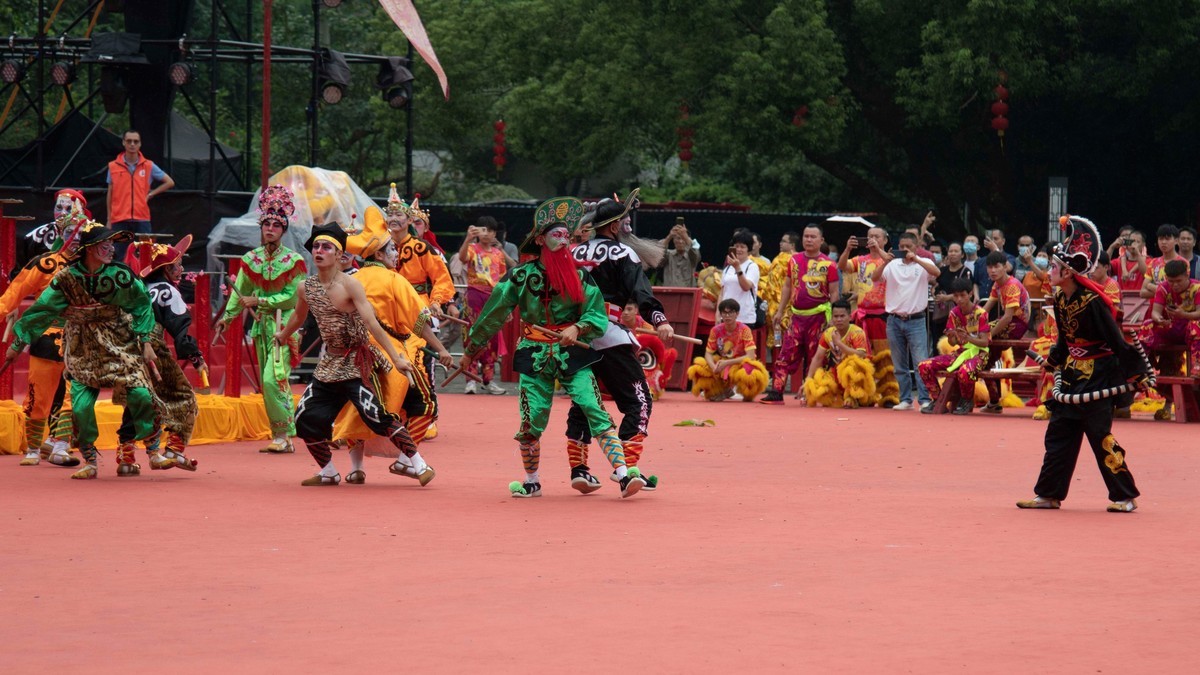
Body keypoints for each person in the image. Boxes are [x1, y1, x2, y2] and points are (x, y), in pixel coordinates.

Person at [461, 197, 648, 499]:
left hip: (572, 353)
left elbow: (596, 313)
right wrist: (470, 350)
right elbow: (492, 314)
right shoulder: (520, 276)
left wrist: (578, 327)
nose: (564, 241)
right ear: (540, 240)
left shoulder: (579, 275)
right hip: (534, 354)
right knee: (533, 417)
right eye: (557, 235)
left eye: (566, 235)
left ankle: (624, 475)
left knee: (592, 405)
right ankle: (531, 480)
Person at [275, 223, 434, 487]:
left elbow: (372, 324)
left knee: (376, 416)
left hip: (358, 362)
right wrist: (283, 334)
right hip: (329, 365)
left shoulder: (351, 285)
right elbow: (299, 316)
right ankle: (328, 471)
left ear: (339, 255)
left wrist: (396, 357)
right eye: (316, 246)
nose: (319, 251)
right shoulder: (306, 287)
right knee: (304, 417)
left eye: (327, 247)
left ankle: (419, 463)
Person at [6, 221, 162, 479]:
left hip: (118, 341)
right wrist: (17, 343)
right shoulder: (66, 278)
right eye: (106, 244)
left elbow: (142, 304)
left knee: (141, 396)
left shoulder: (120, 275)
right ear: (90, 248)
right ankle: (89, 459)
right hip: (81, 344)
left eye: (112, 244)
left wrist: (146, 342)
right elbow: (42, 310)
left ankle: (153, 449)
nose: (111, 249)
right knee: (79, 406)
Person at [1016, 215, 1147, 513]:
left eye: (1053, 267)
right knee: (1059, 432)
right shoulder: (1061, 298)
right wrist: (1053, 360)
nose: (1049, 271)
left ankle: (1124, 495)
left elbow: (1116, 341)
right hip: (1074, 374)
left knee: (1100, 436)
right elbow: (1065, 339)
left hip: (1100, 375)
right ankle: (1048, 494)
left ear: (1068, 272)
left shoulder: (1093, 302)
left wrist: (1137, 372)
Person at [566, 190, 671, 492]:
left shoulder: (573, 253)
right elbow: (640, 291)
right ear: (614, 227)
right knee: (639, 401)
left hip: (574, 337)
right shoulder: (623, 254)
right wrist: (659, 319)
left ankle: (580, 469)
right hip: (609, 335)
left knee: (585, 402)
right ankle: (629, 468)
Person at [330, 233, 455, 483]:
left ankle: (356, 468)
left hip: (352, 354)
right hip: (389, 354)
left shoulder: (349, 279)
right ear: (378, 254)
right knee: (425, 404)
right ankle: (407, 460)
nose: (396, 255)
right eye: (392, 250)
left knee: (359, 406)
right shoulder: (393, 278)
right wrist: (441, 348)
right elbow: (418, 321)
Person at [215, 185, 306, 453]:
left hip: (285, 325)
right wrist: (227, 318)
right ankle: (285, 433)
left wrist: (261, 301)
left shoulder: (294, 261)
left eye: (277, 225)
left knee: (272, 379)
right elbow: (240, 291)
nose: (270, 228)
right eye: (266, 223)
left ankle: (282, 435)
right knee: (274, 381)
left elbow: (293, 298)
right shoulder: (250, 259)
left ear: (284, 229)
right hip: (262, 327)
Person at [0, 196, 89, 467]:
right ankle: (34, 448)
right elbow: (16, 291)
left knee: (75, 396)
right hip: (46, 333)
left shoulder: (93, 268)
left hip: (81, 338)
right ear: (60, 234)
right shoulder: (46, 263)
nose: (75, 239)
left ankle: (61, 445)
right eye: (70, 233)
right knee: (38, 395)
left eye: (80, 234)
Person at [135, 234, 206, 471]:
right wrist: (197, 359)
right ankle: (174, 449)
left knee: (138, 400)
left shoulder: (141, 289)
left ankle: (125, 457)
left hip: (127, 349)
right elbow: (180, 331)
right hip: (152, 348)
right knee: (184, 397)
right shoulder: (167, 291)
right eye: (178, 265)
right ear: (166, 269)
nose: (182, 269)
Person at [762, 224, 839, 403]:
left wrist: (834, 319)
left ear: (821, 240)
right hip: (796, 317)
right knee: (786, 354)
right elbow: (788, 286)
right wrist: (780, 310)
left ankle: (811, 393)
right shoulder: (794, 260)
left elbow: (834, 292)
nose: (809, 240)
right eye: (806, 236)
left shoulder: (829, 264)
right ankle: (777, 392)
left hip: (819, 318)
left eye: (813, 237)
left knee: (815, 357)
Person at [874, 231, 940, 411]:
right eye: (901, 247)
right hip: (894, 319)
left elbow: (937, 273)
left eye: (908, 247)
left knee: (921, 362)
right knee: (899, 363)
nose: (904, 250)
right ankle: (905, 399)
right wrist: (886, 260)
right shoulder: (892, 264)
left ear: (916, 247)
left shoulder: (923, 264)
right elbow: (874, 278)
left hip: (916, 320)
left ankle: (925, 398)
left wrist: (916, 259)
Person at [839, 226, 900, 407]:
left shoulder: (890, 260)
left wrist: (879, 251)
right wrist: (848, 249)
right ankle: (860, 395)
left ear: (885, 240)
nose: (872, 239)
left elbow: (889, 263)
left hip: (882, 315)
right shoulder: (861, 260)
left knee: (884, 357)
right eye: (869, 237)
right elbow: (842, 266)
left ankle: (889, 396)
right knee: (859, 358)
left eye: (876, 237)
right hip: (862, 315)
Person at [917, 278, 990, 415]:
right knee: (924, 365)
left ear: (970, 294)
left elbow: (985, 343)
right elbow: (952, 344)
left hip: (980, 354)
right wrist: (952, 337)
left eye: (962, 295)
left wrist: (968, 338)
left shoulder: (981, 313)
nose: (959, 299)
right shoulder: (953, 313)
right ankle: (938, 400)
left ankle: (967, 400)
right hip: (960, 353)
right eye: (956, 296)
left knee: (964, 371)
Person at [106, 129, 174, 261]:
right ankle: (122, 280)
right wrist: (109, 218)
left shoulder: (148, 165)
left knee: (146, 254)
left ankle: (145, 281)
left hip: (141, 217)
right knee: (119, 255)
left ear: (140, 144)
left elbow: (169, 182)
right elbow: (110, 193)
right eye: (129, 141)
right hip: (119, 217)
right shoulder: (113, 166)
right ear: (123, 143)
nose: (132, 144)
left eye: (135, 141)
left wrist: (151, 194)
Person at [458, 216, 508, 394]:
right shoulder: (472, 249)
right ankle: (470, 380)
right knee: (472, 335)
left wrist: (505, 306)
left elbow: (502, 280)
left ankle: (488, 380)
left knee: (492, 339)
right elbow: (462, 258)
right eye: (483, 229)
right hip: (474, 296)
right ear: (478, 231)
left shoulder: (498, 254)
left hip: (493, 298)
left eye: (491, 230)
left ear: (495, 233)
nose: (487, 233)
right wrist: (468, 238)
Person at [979, 250, 1031, 413]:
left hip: (1018, 324)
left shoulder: (1012, 286)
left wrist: (987, 334)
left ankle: (994, 401)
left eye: (996, 266)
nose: (992, 270)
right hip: (1009, 322)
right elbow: (985, 310)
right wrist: (972, 322)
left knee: (985, 359)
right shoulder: (997, 285)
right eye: (990, 267)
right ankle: (994, 402)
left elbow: (1008, 318)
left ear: (1005, 267)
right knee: (986, 360)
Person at [687, 298, 768, 402]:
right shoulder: (715, 330)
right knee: (698, 367)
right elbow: (708, 353)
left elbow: (750, 355)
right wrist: (713, 367)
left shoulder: (744, 330)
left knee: (751, 371)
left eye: (731, 313)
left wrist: (728, 363)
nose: (727, 316)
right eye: (724, 313)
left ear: (737, 313)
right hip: (722, 362)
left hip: (739, 363)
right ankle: (723, 389)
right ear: (720, 314)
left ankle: (741, 391)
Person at [801, 299, 875, 408]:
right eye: (836, 316)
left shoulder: (857, 332)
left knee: (852, 364)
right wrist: (808, 381)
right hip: (837, 373)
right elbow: (818, 358)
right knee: (820, 386)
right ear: (832, 318)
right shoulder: (828, 333)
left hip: (858, 376)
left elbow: (861, 355)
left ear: (850, 317)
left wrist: (839, 343)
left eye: (842, 316)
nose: (839, 319)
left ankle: (853, 397)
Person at [1137, 259, 1200, 380]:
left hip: (1190, 327)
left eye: (1178, 281)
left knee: (1197, 325)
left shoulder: (1197, 288)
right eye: (1171, 281)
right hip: (1171, 326)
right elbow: (1155, 312)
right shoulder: (1163, 288)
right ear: (1166, 278)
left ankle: (1197, 365)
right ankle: (1142, 366)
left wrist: (1184, 315)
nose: (1175, 285)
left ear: (1187, 275)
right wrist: (1159, 319)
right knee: (1147, 325)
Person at [761, 231, 800, 354]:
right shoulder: (778, 258)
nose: (780, 243)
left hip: (786, 305)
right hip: (774, 305)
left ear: (792, 245)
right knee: (778, 340)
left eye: (784, 241)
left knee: (788, 337)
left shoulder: (795, 260)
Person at [930, 242, 976, 344]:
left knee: (957, 342)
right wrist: (935, 292)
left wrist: (947, 297)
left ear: (962, 255)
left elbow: (966, 292)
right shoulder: (941, 271)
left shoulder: (966, 272)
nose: (953, 253)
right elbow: (936, 286)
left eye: (956, 251)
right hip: (941, 314)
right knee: (939, 343)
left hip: (958, 313)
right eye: (951, 251)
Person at [721, 230, 761, 327]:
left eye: (742, 247)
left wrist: (738, 268)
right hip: (726, 316)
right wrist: (718, 314)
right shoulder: (727, 268)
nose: (738, 249)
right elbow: (722, 291)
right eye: (736, 246)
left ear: (749, 250)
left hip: (744, 317)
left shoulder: (752, 266)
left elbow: (746, 287)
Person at [1140, 224, 1182, 299]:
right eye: (1160, 239)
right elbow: (1142, 293)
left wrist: (1151, 286)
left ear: (1176, 241)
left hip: (1174, 308)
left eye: (1167, 239)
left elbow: (1178, 291)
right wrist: (1164, 291)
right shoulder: (1153, 263)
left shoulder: (1182, 262)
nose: (1163, 242)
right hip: (1154, 308)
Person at [660, 218, 700, 287]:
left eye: (683, 239)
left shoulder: (691, 257)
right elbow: (658, 253)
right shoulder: (668, 255)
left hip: (688, 295)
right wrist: (669, 236)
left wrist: (686, 237)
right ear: (673, 240)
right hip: (670, 294)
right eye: (678, 238)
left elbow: (696, 253)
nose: (680, 241)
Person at [978, 228, 1016, 299]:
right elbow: (976, 282)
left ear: (1003, 241)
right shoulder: (981, 261)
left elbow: (1008, 268)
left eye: (995, 239)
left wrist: (995, 249)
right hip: (982, 301)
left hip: (1001, 301)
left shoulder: (1010, 257)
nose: (992, 242)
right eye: (990, 239)